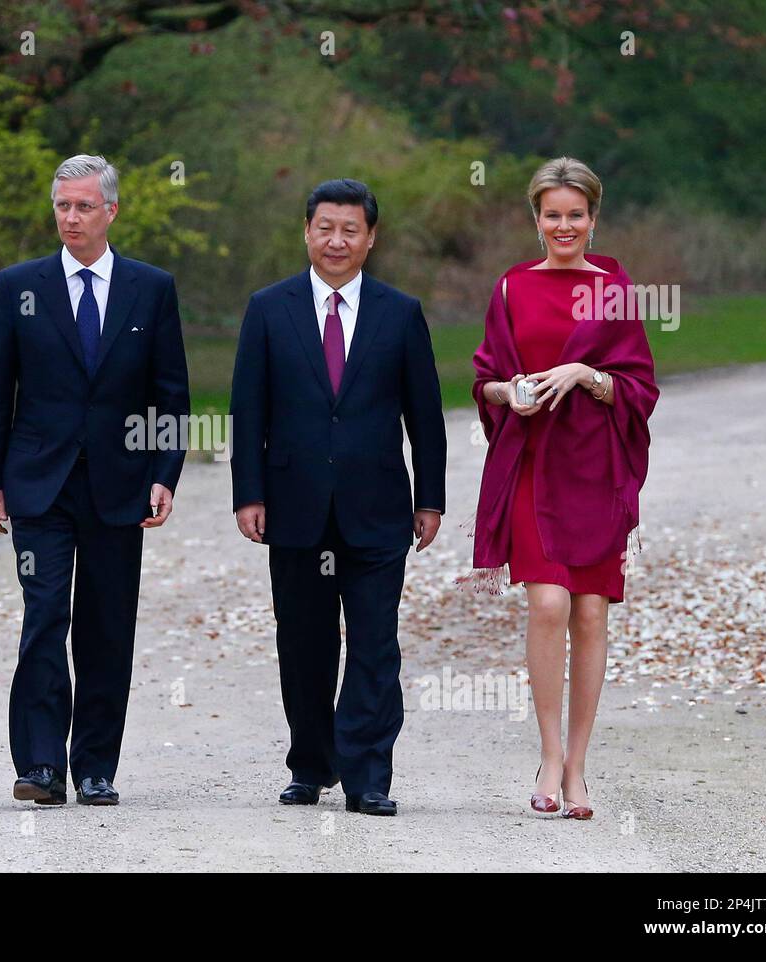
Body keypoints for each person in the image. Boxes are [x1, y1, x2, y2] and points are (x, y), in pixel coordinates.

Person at [0, 155, 190, 806]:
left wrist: (164, 472)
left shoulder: (150, 289)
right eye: (62, 206)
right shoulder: (20, 286)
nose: (71, 217)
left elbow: (170, 395)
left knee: (106, 624)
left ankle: (95, 765)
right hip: (39, 483)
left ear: (111, 212)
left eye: (83, 207)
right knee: (45, 618)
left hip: (120, 485)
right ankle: (40, 765)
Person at [229, 178, 447, 815]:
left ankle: (367, 774)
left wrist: (428, 498)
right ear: (306, 231)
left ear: (371, 238)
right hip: (294, 507)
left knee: (376, 643)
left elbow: (425, 416)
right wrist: (249, 492)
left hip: (377, 508)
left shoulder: (399, 313)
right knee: (304, 643)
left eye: (350, 230)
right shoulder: (268, 309)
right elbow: (248, 410)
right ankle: (311, 762)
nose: (336, 240)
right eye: (325, 227)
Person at [465, 157, 658, 819]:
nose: (565, 224)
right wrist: (508, 391)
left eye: (576, 214)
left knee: (591, 612)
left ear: (593, 218)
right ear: (537, 217)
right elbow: (484, 379)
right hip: (533, 462)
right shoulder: (513, 288)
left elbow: (640, 388)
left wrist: (583, 372)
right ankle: (548, 754)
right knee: (548, 603)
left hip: (596, 471)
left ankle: (577, 768)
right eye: (553, 214)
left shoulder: (616, 287)